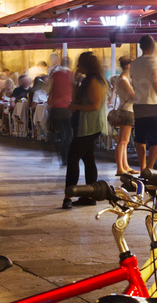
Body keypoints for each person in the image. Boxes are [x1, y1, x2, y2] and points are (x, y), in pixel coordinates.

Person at [62, 52, 109, 209]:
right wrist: (75, 85)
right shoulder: (88, 80)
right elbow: (78, 100)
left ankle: (69, 196)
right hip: (84, 125)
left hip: (89, 126)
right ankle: (90, 195)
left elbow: (94, 106)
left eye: (80, 63)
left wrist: (75, 107)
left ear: (86, 64)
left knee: (73, 158)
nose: (77, 66)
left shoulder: (94, 81)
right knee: (88, 159)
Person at [131, 35, 157, 172]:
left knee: (140, 137)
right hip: (151, 104)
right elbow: (154, 80)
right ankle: (150, 167)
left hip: (138, 104)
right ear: (152, 46)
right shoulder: (152, 61)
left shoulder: (134, 63)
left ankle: (142, 167)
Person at [47, 53, 74, 166]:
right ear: (70, 65)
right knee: (68, 134)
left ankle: (59, 153)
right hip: (68, 108)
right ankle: (67, 156)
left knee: (56, 131)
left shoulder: (54, 74)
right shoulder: (72, 75)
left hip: (55, 108)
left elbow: (48, 90)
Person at [112, 56, 136, 176]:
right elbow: (132, 96)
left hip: (127, 110)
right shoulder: (123, 80)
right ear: (128, 66)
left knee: (125, 141)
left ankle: (125, 165)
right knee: (122, 141)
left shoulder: (125, 79)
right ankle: (120, 167)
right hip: (126, 110)